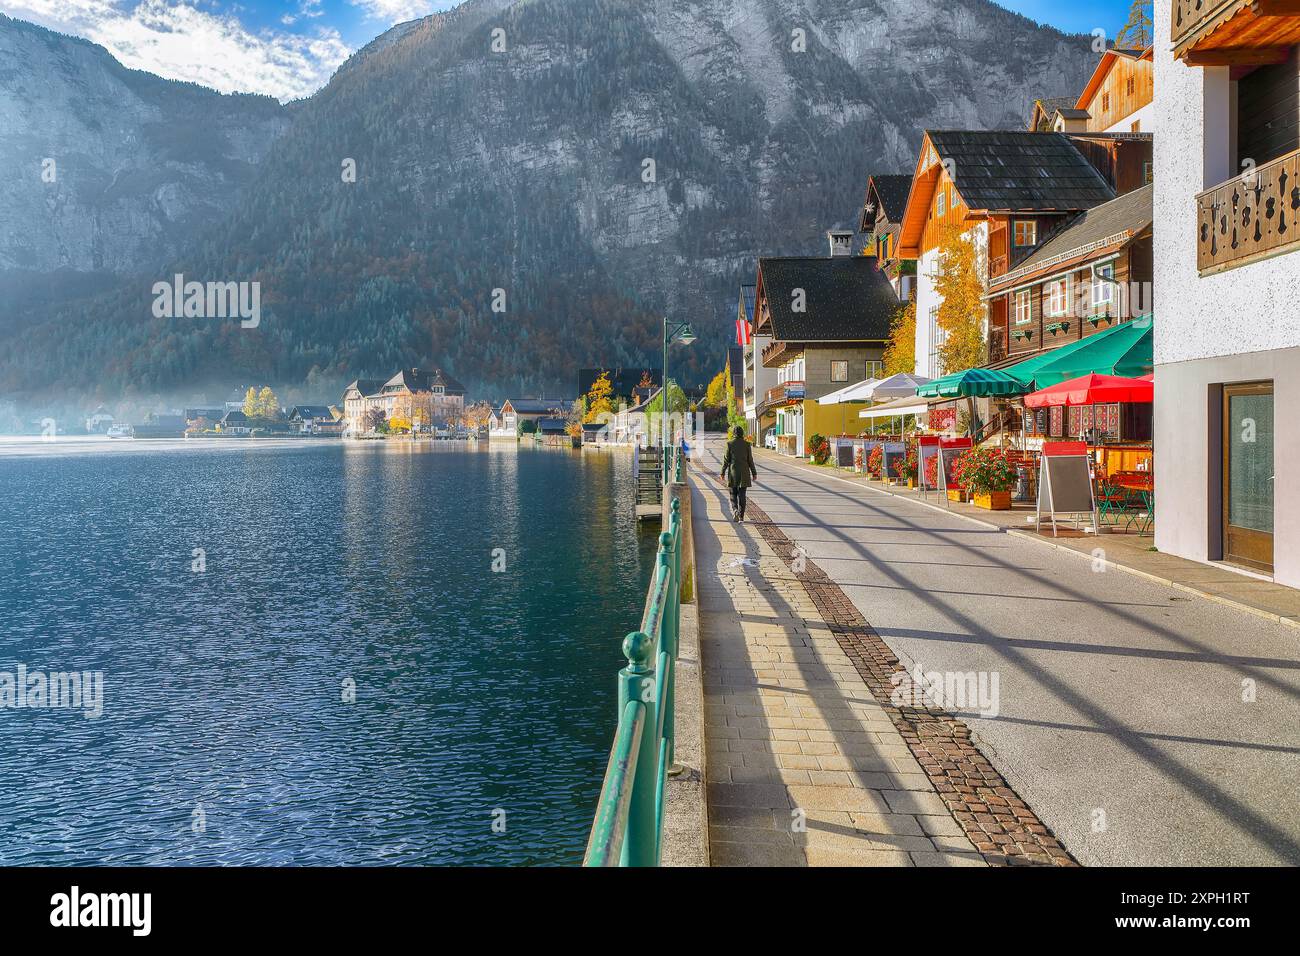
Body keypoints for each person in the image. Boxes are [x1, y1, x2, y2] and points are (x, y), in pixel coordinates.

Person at [719, 424, 758, 522]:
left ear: (733, 433)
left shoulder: (729, 444)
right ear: (742, 433)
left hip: (733, 473)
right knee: (742, 495)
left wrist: (722, 472)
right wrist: (754, 473)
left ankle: (735, 510)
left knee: (733, 493)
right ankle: (741, 516)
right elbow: (750, 460)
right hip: (744, 473)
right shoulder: (747, 444)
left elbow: (726, 460)